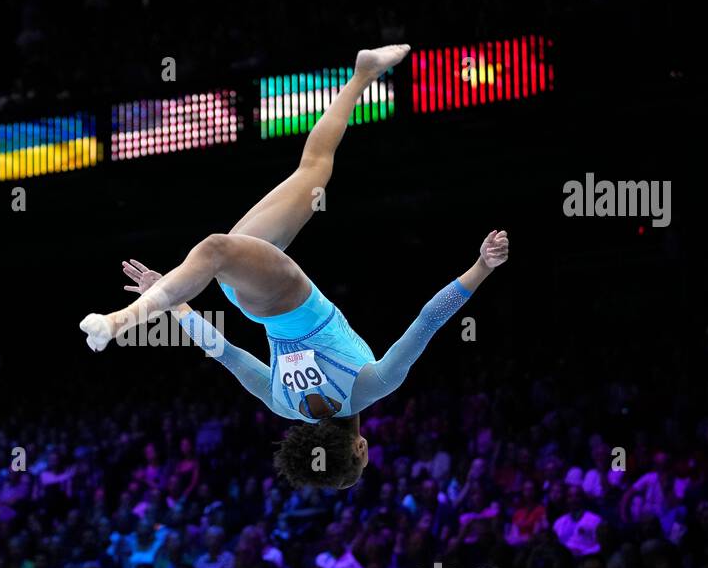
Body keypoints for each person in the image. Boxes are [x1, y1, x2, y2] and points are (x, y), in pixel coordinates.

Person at [80, 45, 508, 490]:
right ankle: (363, 73)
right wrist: (176, 305)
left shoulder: (372, 387)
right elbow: (221, 351)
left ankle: (121, 320)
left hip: (284, 294)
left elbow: (428, 321)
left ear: (360, 448)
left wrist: (481, 266)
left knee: (214, 250)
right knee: (314, 170)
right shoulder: (281, 406)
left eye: (364, 458)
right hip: (252, 297)